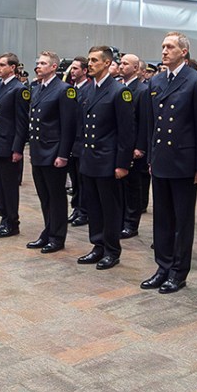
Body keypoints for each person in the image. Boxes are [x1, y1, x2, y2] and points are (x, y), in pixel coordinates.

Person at [140, 32, 197, 294]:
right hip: (160, 160)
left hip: (184, 160)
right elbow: (152, 125)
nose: (164, 51)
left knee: (182, 220)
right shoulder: (156, 81)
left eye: (169, 47)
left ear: (184, 52)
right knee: (162, 218)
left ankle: (178, 272)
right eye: (162, 47)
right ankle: (163, 266)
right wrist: (150, 157)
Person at [76, 45, 134, 270]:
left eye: (94, 61)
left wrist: (122, 164)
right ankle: (97, 245)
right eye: (89, 60)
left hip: (108, 160)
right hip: (90, 158)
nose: (89, 64)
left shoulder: (119, 91)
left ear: (108, 63)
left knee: (110, 208)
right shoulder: (88, 90)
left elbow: (126, 132)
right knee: (93, 206)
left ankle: (112, 250)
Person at [25, 51, 77, 254]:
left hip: (54, 152)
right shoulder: (37, 88)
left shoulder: (64, 90)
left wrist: (63, 154)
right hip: (38, 151)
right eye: (37, 63)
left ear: (54, 67)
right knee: (44, 196)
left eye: (43, 63)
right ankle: (48, 231)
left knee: (56, 197)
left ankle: (57, 236)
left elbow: (68, 126)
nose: (38, 66)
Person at [0, 52, 29, 237]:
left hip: (8, 145)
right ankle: (3, 218)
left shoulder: (19, 89)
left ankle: (12, 222)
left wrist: (17, 148)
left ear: (12, 67)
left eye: (2, 65)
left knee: (9, 186)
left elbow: (22, 122)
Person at [118, 53, 150, 237]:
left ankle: (131, 223)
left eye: (125, 64)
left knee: (133, 187)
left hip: (135, 147)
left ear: (136, 68)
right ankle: (121, 219)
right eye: (120, 63)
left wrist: (140, 147)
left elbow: (144, 121)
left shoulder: (142, 90)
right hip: (121, 145)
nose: (121, 67)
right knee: (121, 186)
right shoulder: (119, 88)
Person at [65, 56, 90, 226]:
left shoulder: (88, 89)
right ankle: (76, 207)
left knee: (83, 180)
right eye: (71, 69)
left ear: (84, 71)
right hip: (71, 142)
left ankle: (84, 211)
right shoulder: (70, 89)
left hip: (83, 142)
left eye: (75, 68)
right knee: (74, 178)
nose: (72, 72)